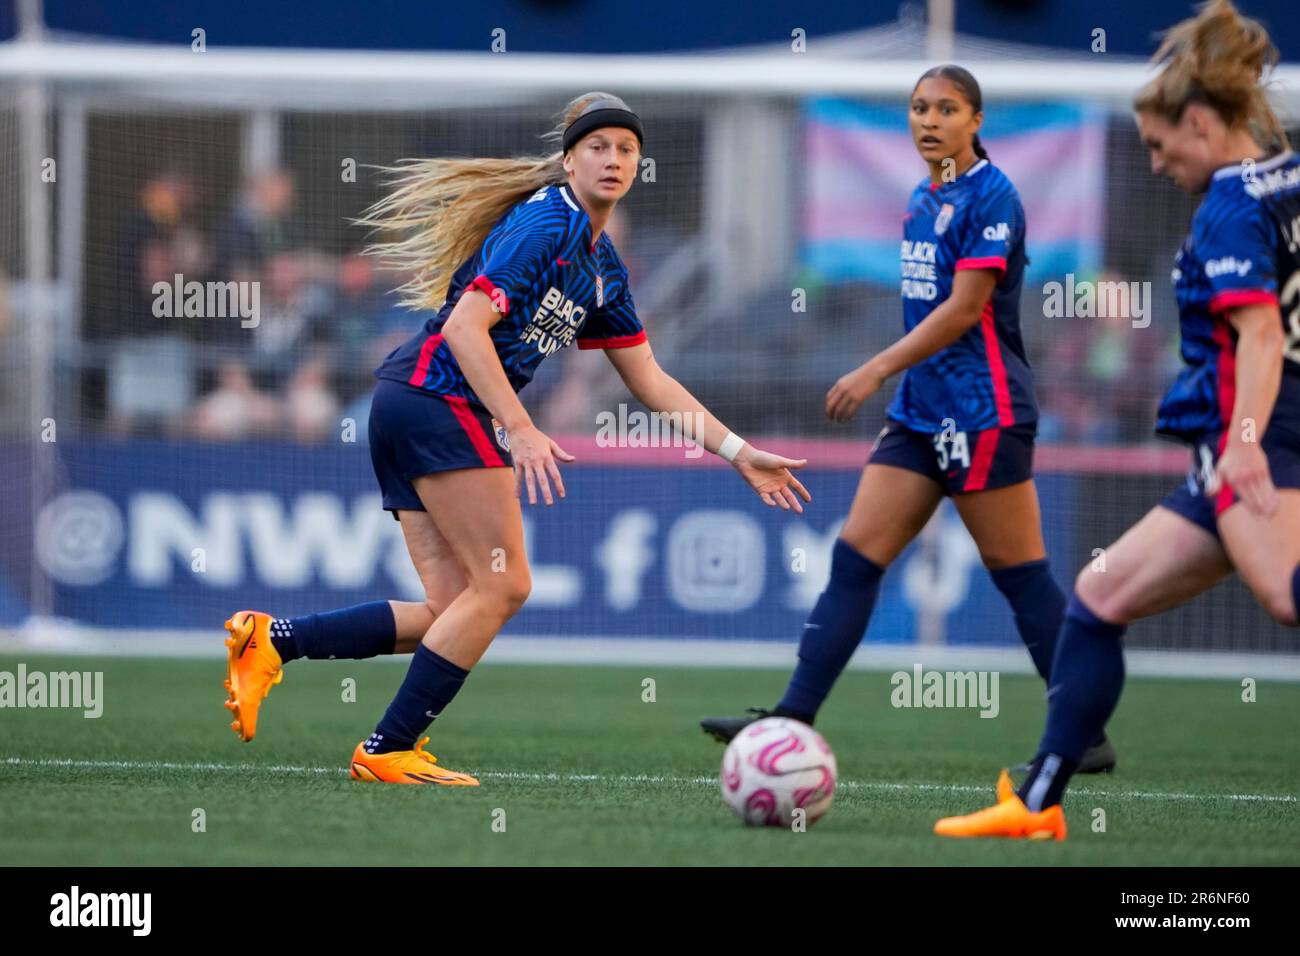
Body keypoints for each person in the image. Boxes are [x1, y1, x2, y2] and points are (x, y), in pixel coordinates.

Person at [220, 93, 811, 784]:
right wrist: (522, 427)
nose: (614, 159)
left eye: (626, 149)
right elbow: (464, 329)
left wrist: (739, 453)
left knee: (453, 609)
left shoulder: (601, 268)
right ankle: (386, 748)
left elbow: (650, 381)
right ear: (569, 159)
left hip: (409, 401)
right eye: (599, 146)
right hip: (440, 401)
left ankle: (273, 639)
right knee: (505, 586)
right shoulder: (545, 224)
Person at [935, 0, 1300, 840]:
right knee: (1099, 597)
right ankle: (1036, 808)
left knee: (1283, 593)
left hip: (1255, 438)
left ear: (1202, 121)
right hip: (1244, 441)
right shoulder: (1287, 180)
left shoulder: (1232, 206)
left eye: (1160, 141)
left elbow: (1261, 331)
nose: (1156, 158)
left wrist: (1245, 443)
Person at [701, 65, 1114, 773]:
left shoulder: (994, 196)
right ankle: (793, 716)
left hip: (984, 412)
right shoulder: (924, 195)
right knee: (856, 556)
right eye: (919, 108)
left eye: (945, 109)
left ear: (975, 120)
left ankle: (1084, 734)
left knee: (1018, 573)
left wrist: (873, 368)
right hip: (920, 414)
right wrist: (898, 381)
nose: (928, 120)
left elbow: (962, 311)